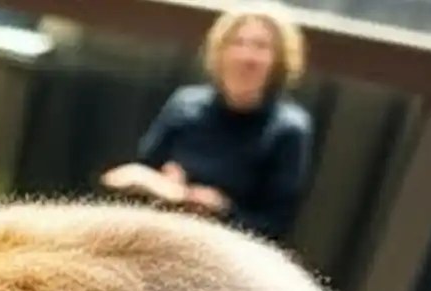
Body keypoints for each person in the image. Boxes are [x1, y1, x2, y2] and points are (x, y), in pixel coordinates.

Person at [100, 1, 313, 242]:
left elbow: (275, 225)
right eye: (237, 43)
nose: (246, 56)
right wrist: (165, 185)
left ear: (279, 61)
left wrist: (223, 209)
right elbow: (144, 170)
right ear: (219, 52)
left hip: (229, 249)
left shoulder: (289, 129)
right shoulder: (184, 103)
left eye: (261, 47)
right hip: (163, 231)